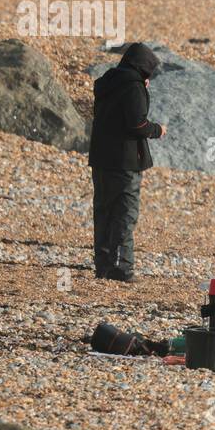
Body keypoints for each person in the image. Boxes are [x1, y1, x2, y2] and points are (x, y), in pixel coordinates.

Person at [87, 43, 166, 282]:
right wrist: (157, 130)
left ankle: (103, 266)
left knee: (104, 212)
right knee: (124, 214)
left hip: (101, 159)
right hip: (125, 162)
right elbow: (137, 124)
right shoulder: (133, 87)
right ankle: (121, 268)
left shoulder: (108, 83)